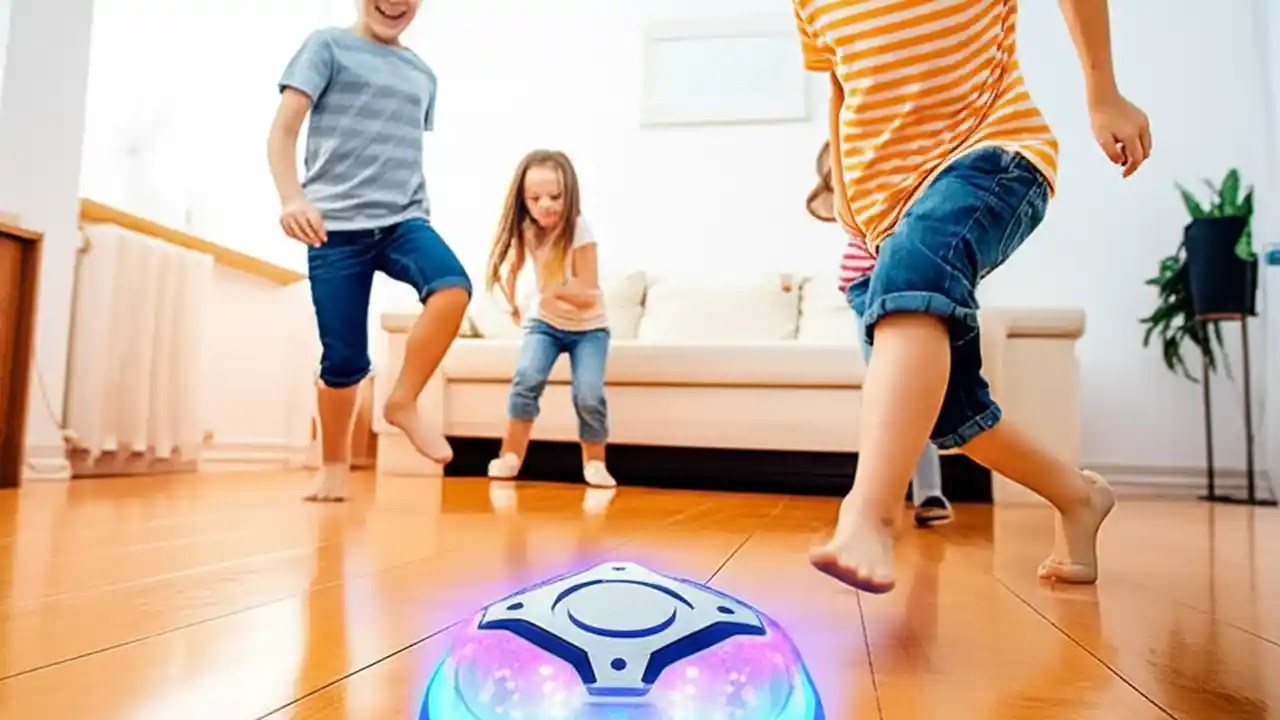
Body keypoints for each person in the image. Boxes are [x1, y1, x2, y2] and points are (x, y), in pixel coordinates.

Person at [794, 0, 1150, 593]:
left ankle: (870, 515)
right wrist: (851, 202)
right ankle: (1078, 497)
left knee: (915, 279)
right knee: (943, 413)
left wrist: (1102, 90)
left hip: (992, 152)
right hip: (885, 213)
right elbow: (839, 84)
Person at [268, 0, 471, 502]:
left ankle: (402, 402)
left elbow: (396, 148)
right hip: (334, 228)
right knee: (343, 362)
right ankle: (334, 464)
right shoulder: (326, 46)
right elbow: (283, 131)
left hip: (404, 220)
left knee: (452, 287)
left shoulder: (422, 74)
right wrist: (293, 197)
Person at [806, 140, 953, 528]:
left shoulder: (915, 191)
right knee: (888, 395)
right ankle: (880, 497)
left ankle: (923, 492)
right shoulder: (857, 204)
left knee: (910, 395)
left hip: (907, 288)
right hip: (864, 289)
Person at [483, 150, 617, 489]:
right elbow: (511, 266)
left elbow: (589, 293)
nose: (545, 205)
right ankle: (511, 456)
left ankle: (595, 463)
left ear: (569, 193)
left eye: (555, 196)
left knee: (588, 394)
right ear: (523, 200)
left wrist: (556, 289)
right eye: (535, 197)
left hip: (589, 329)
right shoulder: (528, 228)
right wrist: (511, 301)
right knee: (526, 378)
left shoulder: (579, 230)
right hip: (545, 323)